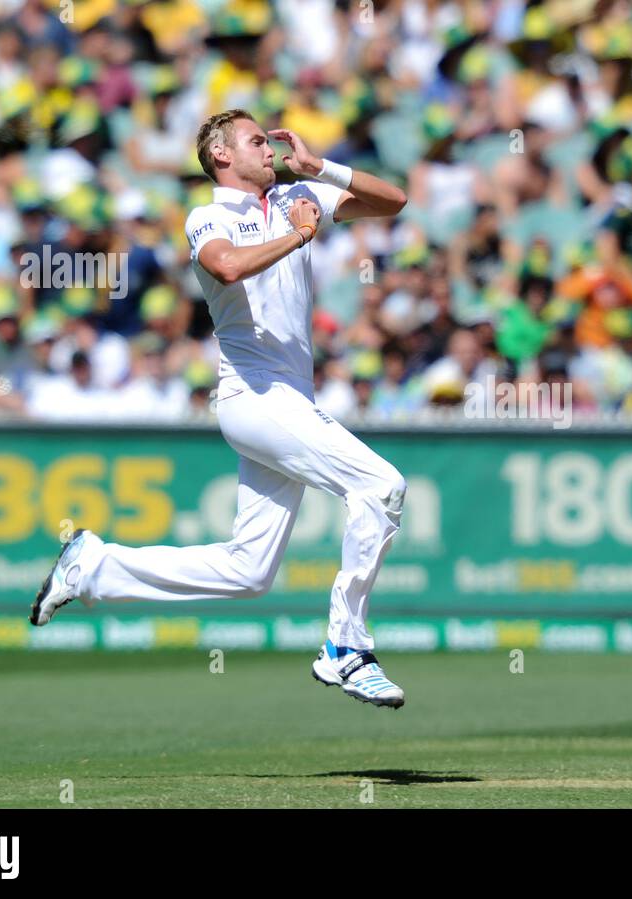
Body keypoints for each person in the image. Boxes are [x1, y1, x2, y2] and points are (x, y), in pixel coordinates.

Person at [30, 109, 411, 709]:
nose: (270, 150)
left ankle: (95, 567)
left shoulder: (295, 196)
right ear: (222, 156)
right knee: (381, 486)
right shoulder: (209, 216)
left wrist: (321, 167)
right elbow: (226, 266)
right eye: (257, 141)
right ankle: (346, 647)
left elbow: (394, 201)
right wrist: (300, 236)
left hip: (290, 399)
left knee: (249, 571)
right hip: (253, 396)